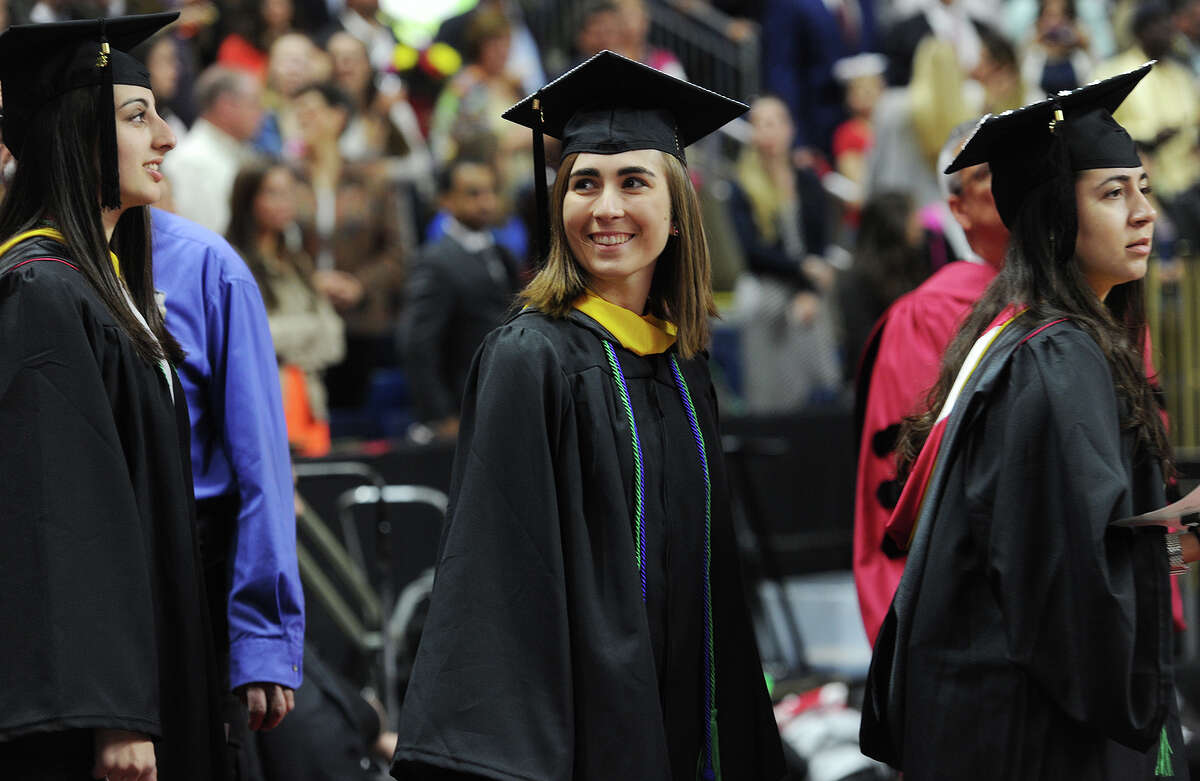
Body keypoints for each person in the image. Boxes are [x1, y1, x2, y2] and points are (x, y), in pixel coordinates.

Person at [390, 51, 785, 780]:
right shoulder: (529, 358)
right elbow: (497, 582)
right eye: (583, 183)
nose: (605, 208)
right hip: (576, 750)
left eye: (633, 182)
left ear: (676, 213)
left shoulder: (685, 366)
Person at [860, 63, 1198, 779]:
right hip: (1032, 732)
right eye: (1113, 192)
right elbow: (1073, 586)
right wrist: (1177, 541)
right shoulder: (1058, 358)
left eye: (1143, 188)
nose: (1143, 213)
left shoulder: (1036, 337)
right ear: (1054, 215)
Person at [0, 12, 227, 781]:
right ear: (75, 134)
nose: (166, 136)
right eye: (139, 115)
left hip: (149, 668)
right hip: (101, 713)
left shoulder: (106, 289)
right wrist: (111, 714)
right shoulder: (39, 291)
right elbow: (61, 518)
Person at [151, 201, 306, 779]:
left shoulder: (204, 264)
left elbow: (260, 464)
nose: (165, 138)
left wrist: (262, 636)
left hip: (195, 579)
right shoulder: (27, 259)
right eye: (136, 117)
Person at [851, 119, 1009, 645]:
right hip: (975, 634)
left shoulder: (1094, 299)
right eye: (992, 173)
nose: (1016, 181)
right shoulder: (924, 318)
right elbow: (901, 500)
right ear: (957, 206)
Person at [225, 161, 346, 456]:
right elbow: (248, 337)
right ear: (248, 199)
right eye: (272, 193)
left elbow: (334, 338)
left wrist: (286, 340)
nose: (284, 203)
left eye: (289, 193)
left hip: (312, 402)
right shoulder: (230, 262)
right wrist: (308, 330)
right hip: (263, 404)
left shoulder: (297, 261)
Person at [400, 156, 520, 439]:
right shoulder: (435, 262)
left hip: (505, 398)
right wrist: (440, 415)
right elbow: (417, 345)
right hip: (464, 405)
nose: (486, 201)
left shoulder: (502, 253)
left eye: (491, 191)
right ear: (446, 200)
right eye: (473, 193)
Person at [162, 65, 265, 234]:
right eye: (254, 103)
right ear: (226, 106)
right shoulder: (191, 160)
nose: (261, 113)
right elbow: (210, 233)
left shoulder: (244, 152)